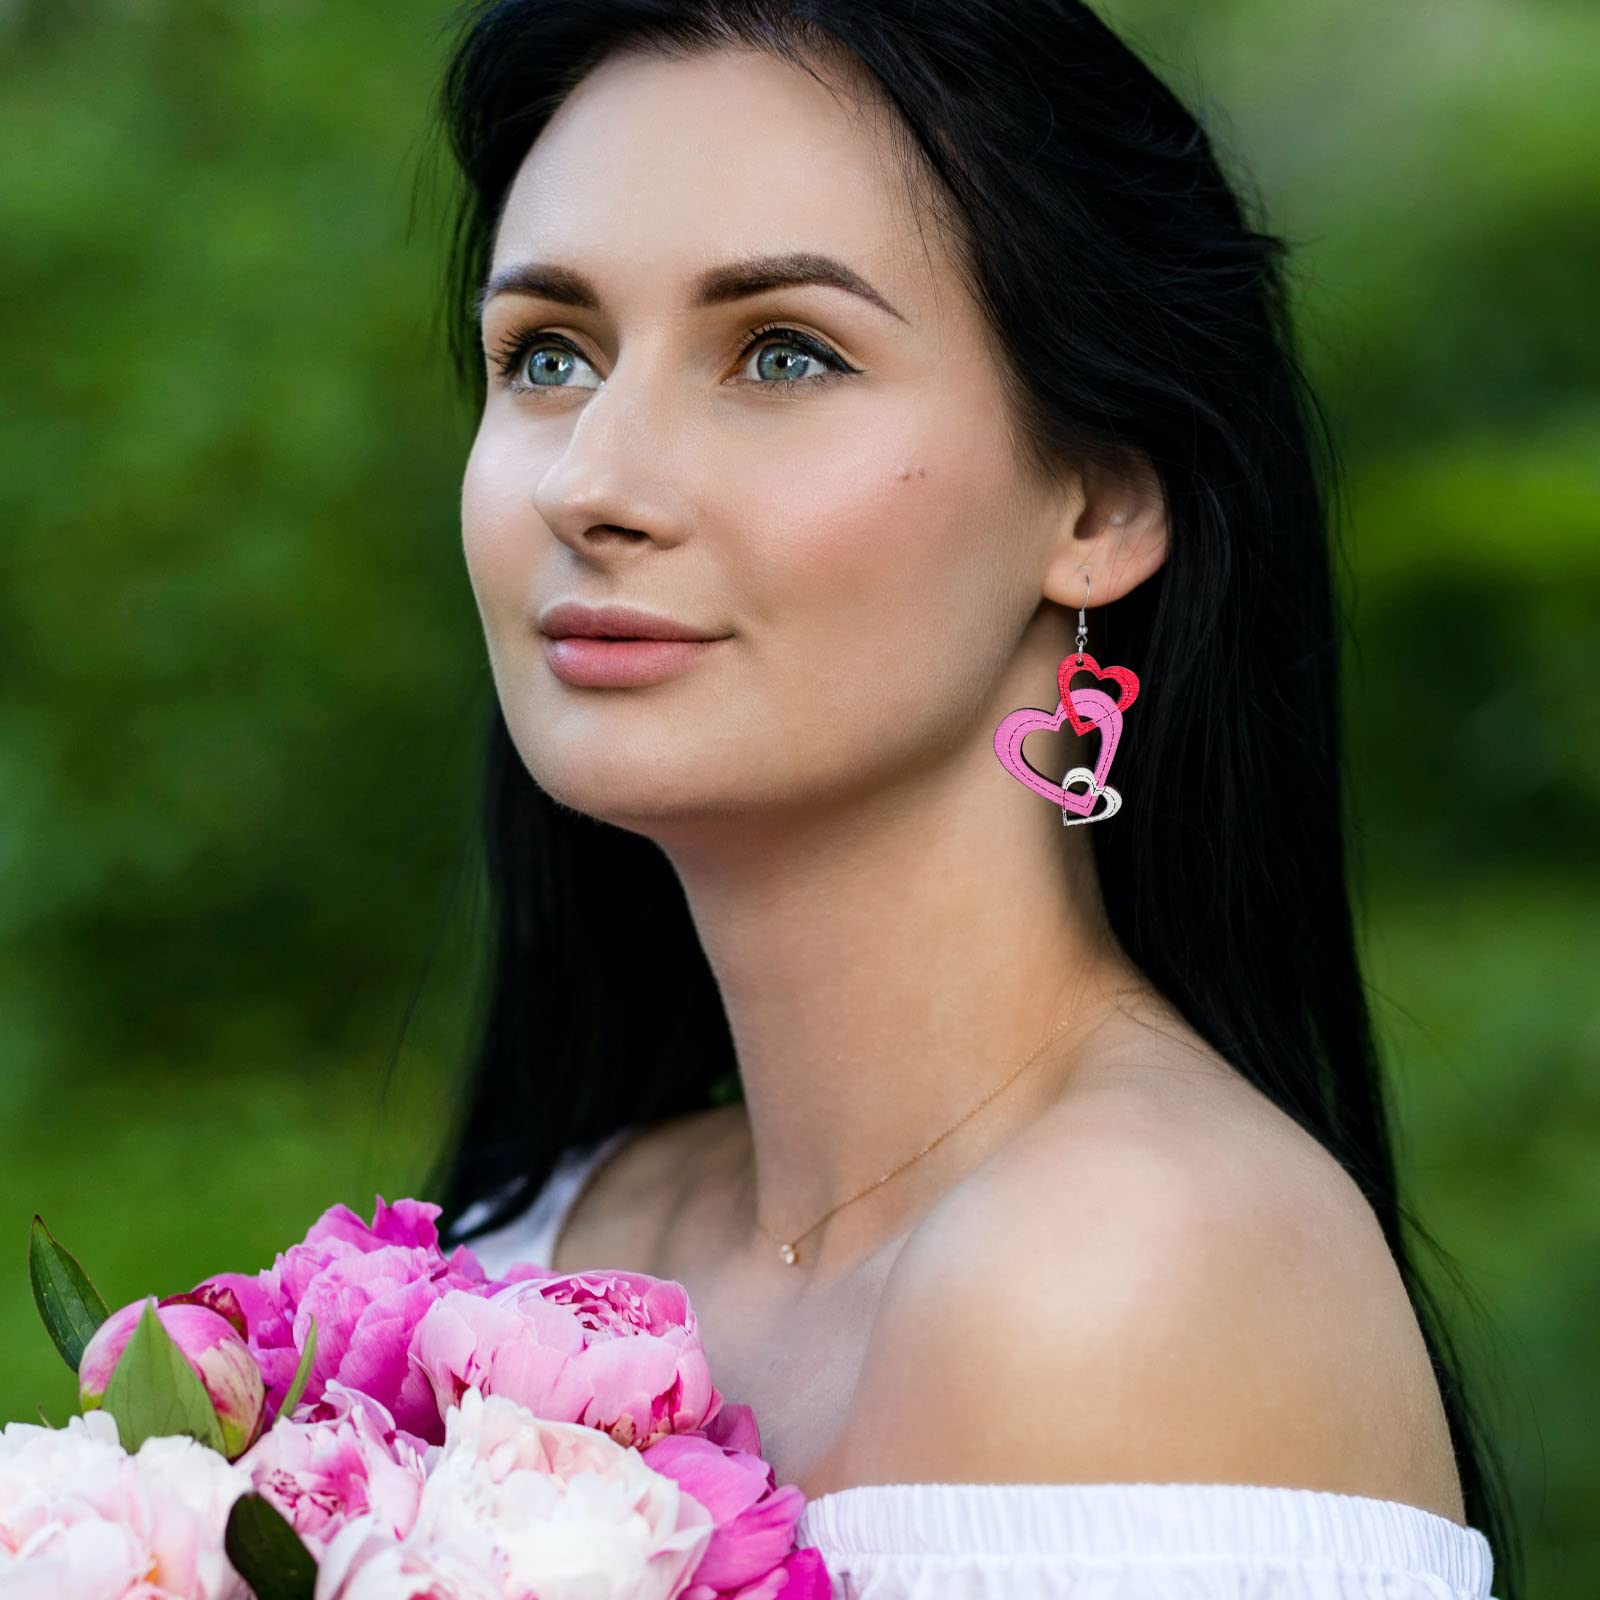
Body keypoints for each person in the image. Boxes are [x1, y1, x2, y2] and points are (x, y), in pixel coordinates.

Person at [426, 2, 1518, 1593]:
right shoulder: (560, 1233)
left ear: (1098, 501)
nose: (589, 479)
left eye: (782, 352)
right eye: (548, 354)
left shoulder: (1132, 1269)